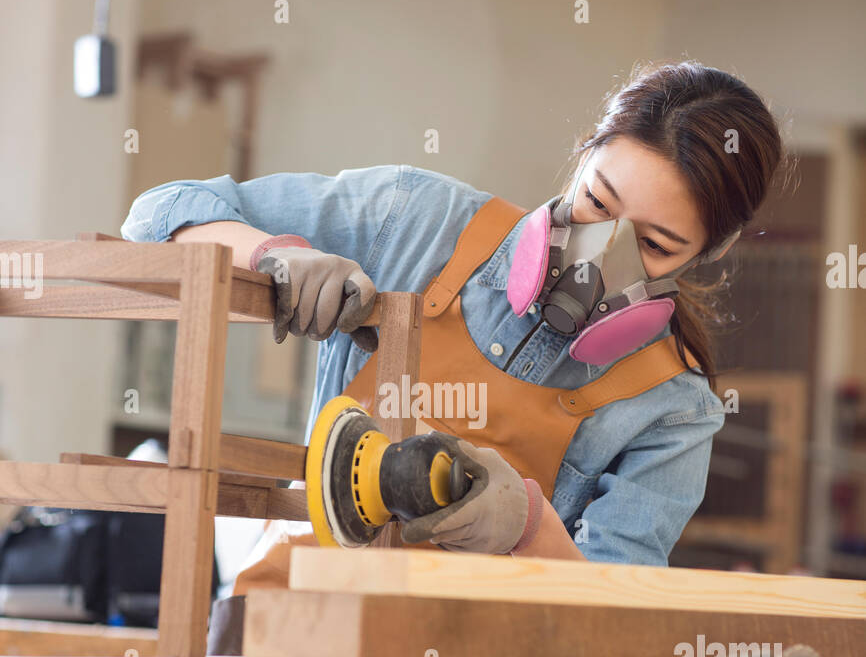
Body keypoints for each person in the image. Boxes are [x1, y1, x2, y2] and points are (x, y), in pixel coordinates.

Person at [121, 60, 783, 566]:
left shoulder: (672, 406)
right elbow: (158, 214)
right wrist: (276, 255)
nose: (602, 255)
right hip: (295, 613)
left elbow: (613, 612)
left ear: (713, 249)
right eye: (598, 205)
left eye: (655, 245)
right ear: (584, 155)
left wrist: (531, 529)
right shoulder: (414, 220)